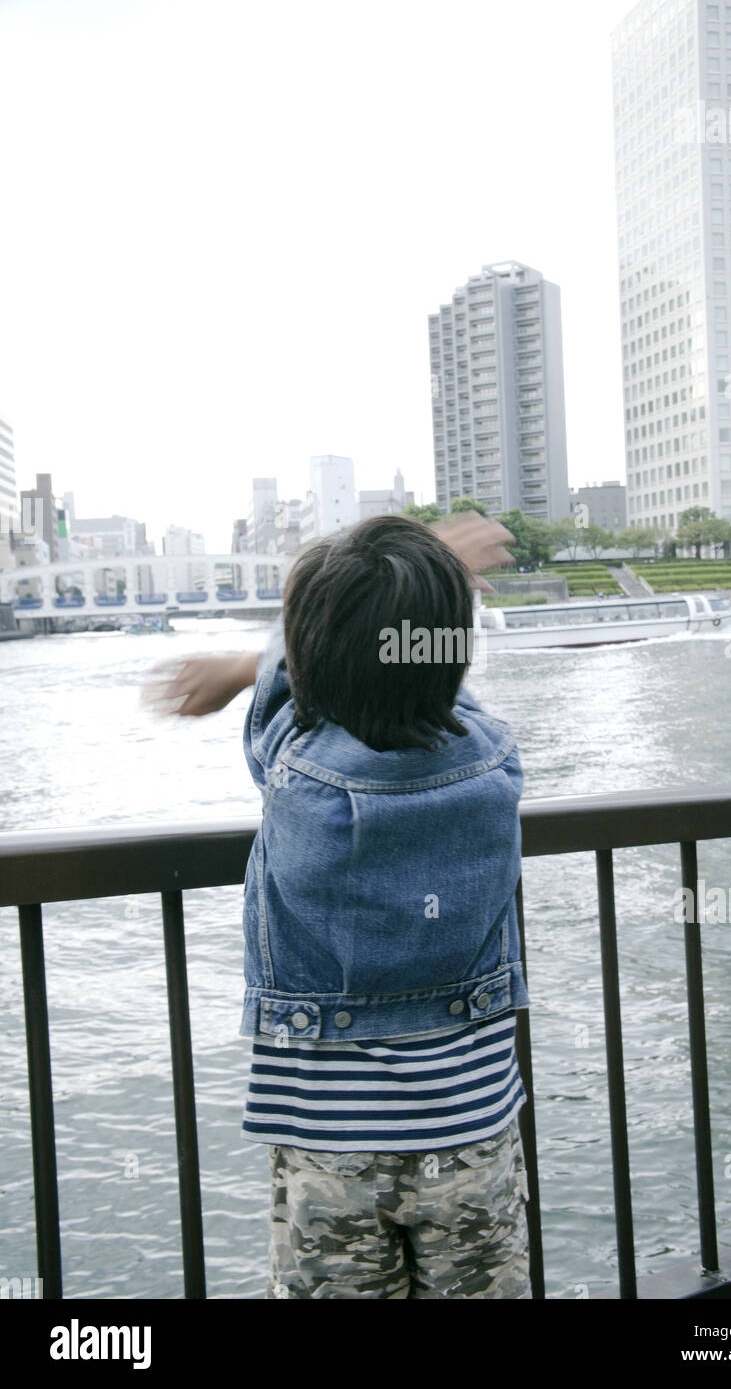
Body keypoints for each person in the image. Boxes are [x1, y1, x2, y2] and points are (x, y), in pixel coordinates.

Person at [144, 511, 533, 1299]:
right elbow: (427, 675)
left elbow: (300, 679)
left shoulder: (298, 775)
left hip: (329, 1144)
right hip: (472, 1132)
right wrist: (436, 582)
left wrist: (245, 662)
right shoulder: (494, 763)